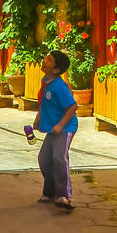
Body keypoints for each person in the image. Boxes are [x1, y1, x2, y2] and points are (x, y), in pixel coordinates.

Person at [32, 50, 78, 211]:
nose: (44, 61)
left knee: (59, 158)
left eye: (49, 60)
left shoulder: (59, 86)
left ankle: (65, 196)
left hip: (65, 128)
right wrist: (39, 119)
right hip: (53, 128)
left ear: (56, 70)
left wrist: (60, 126)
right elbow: (44, 103)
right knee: (44, 159)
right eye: (46, 57)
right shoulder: (46, 81)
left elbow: (73, 107)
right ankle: (51, 193)